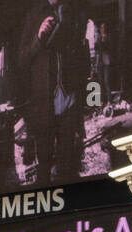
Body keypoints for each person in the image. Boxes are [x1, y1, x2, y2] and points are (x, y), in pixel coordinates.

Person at [17, 0, 90, 186]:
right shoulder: (34, 15)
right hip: (44, 102)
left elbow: (82, 54)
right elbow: (23, 60)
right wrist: (39, 37)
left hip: (69, 100)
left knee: (68, 162)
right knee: (44, 163)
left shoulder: (73, 13)